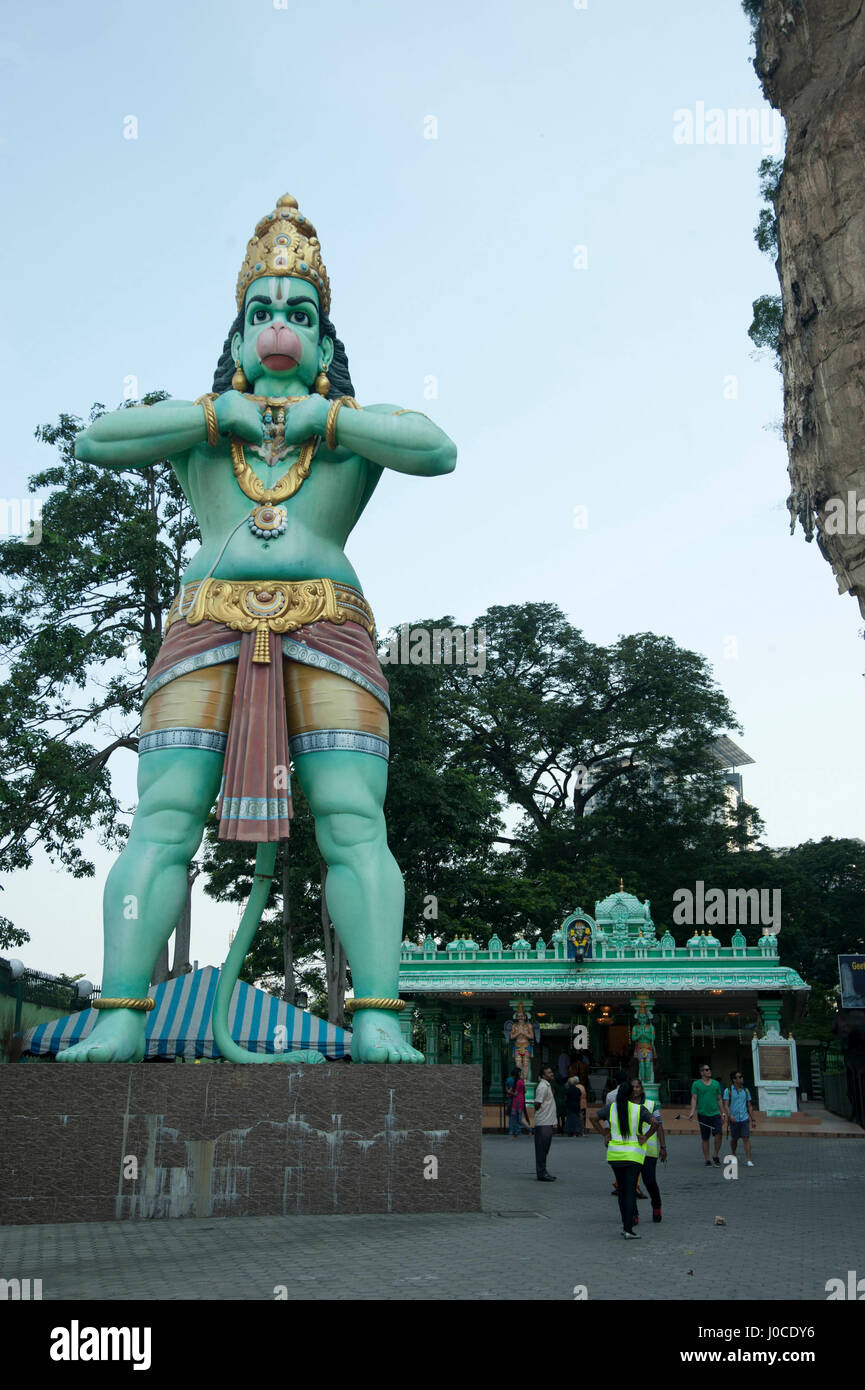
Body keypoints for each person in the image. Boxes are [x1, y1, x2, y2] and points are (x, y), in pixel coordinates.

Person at [591, 1082, 659, 1238]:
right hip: (633, 1156)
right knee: (630, 1191)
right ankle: (628, 1229)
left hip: (615, 1155)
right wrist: (646, 1137)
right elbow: (655, 1123)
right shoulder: (638, 1109)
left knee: (622, 1191)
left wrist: (604, 1134)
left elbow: (593, 1117)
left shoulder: (612, 1108)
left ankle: (625, 1224)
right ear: (631, 1094)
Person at [632, 1077, 666, 1222]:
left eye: (637, 1087)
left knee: (650, 1181)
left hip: (648, 1151)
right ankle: (633, 1214)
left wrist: (663, 1147)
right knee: (631, 1183)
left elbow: (659, 1125)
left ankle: (656, 1205)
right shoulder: (624, 1105)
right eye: (632, 1087)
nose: (635, 1090)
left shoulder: (651, 1105)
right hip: (630, 1151)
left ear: (642, 1089)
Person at [688, 1062, 724, 1166]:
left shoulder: (716, 1084)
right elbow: (694, 1098)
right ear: (702, 1072)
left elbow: (719, 1099)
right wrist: (692, 1112)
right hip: (703, 1114)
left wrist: (723, 1114)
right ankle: (707, 1159)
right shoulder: (696, 1084)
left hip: (715, 1114)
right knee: (705, 1137)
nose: (709, 1071)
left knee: (719, 1134)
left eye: (709, 1069)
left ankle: (715, 1155)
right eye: (707, 1070)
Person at [723, 1070, 757, 1166]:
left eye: (741, 1076)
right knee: (734, 1139)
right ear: (734, 1079)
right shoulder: (728, 1091)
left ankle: (749, 1159)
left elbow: (749, 1105)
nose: (742, 1078)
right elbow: (726, 1105)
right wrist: (730, 1115)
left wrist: (753, 1119)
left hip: (744, 1118)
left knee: (746, 1138)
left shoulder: (746, 1091)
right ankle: (733, 1153)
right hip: (734, 1119)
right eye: (739, 1077)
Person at [533, 1065, 558, 1181]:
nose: (551, 1074)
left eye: (551, 1072)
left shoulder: (546, 1086)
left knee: (544, 1148)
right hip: (543, 1122)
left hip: (546, 1122)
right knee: (542, 1148)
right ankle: (541, 1173)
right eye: (549, 1072)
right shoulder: (543, 1087)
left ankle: (543, 1171)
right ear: (543, 1076)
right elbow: (537, 1103)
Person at [507, 1067, 531, 1136]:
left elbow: (516, 1093)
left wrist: (510, 1092)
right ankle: (516, 1131)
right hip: (517, 1101)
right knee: (515, 1117)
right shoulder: (519, 1081)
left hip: (518, 1101)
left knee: (517, 1118)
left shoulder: (519, 1082)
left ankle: (528, 1129)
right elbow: (524, 1091)